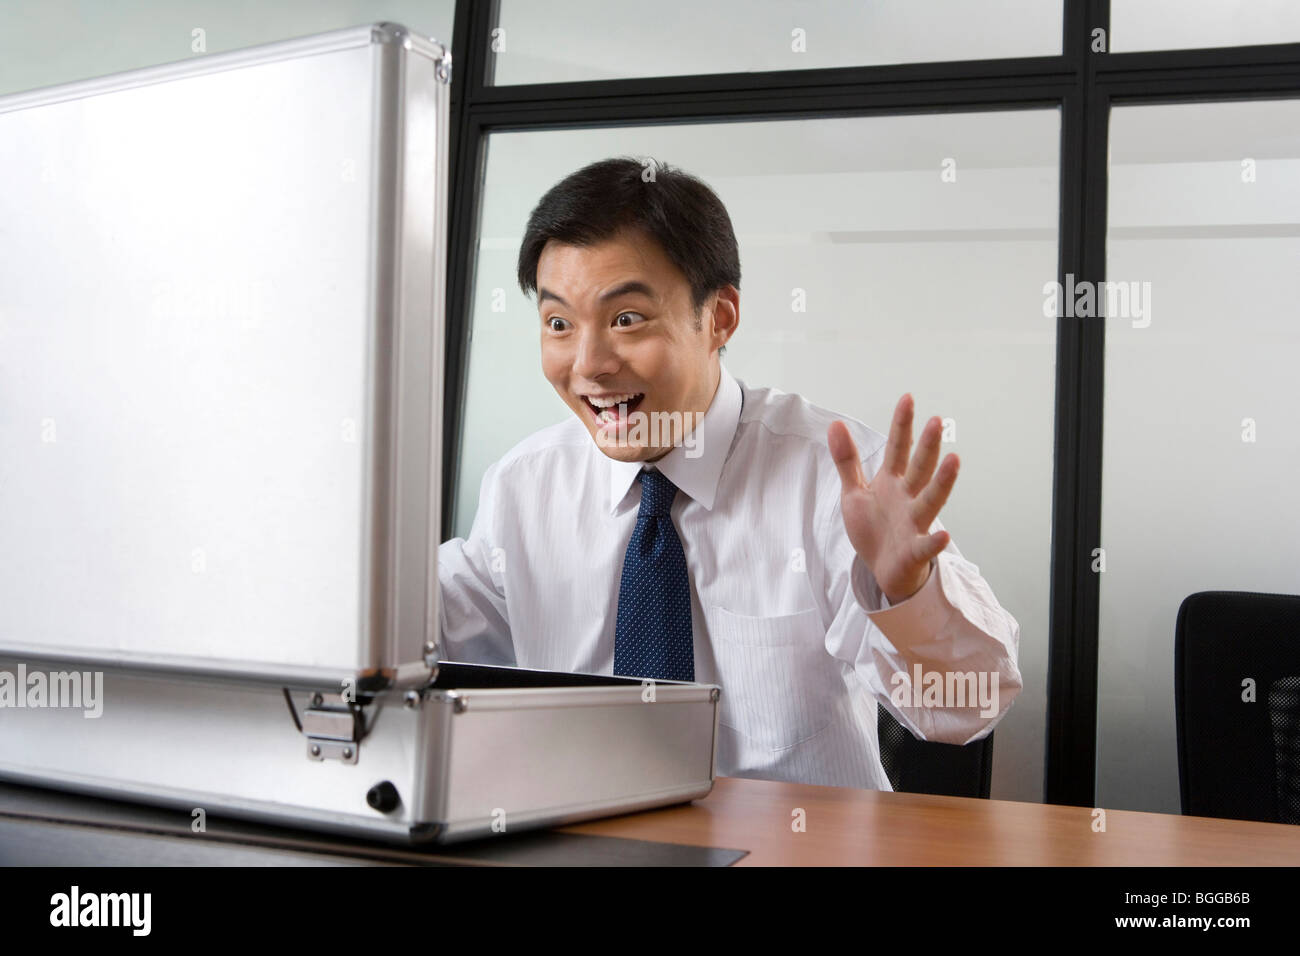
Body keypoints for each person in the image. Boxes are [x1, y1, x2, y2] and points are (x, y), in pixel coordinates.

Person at [437, 156, 1022, 790]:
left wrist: (910, 593)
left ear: (719, 318)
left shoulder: (836, 483)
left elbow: (973, 706)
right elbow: (417, 628)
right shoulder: (525, 487)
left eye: (626, 319)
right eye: (558, 324)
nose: (590, 363)